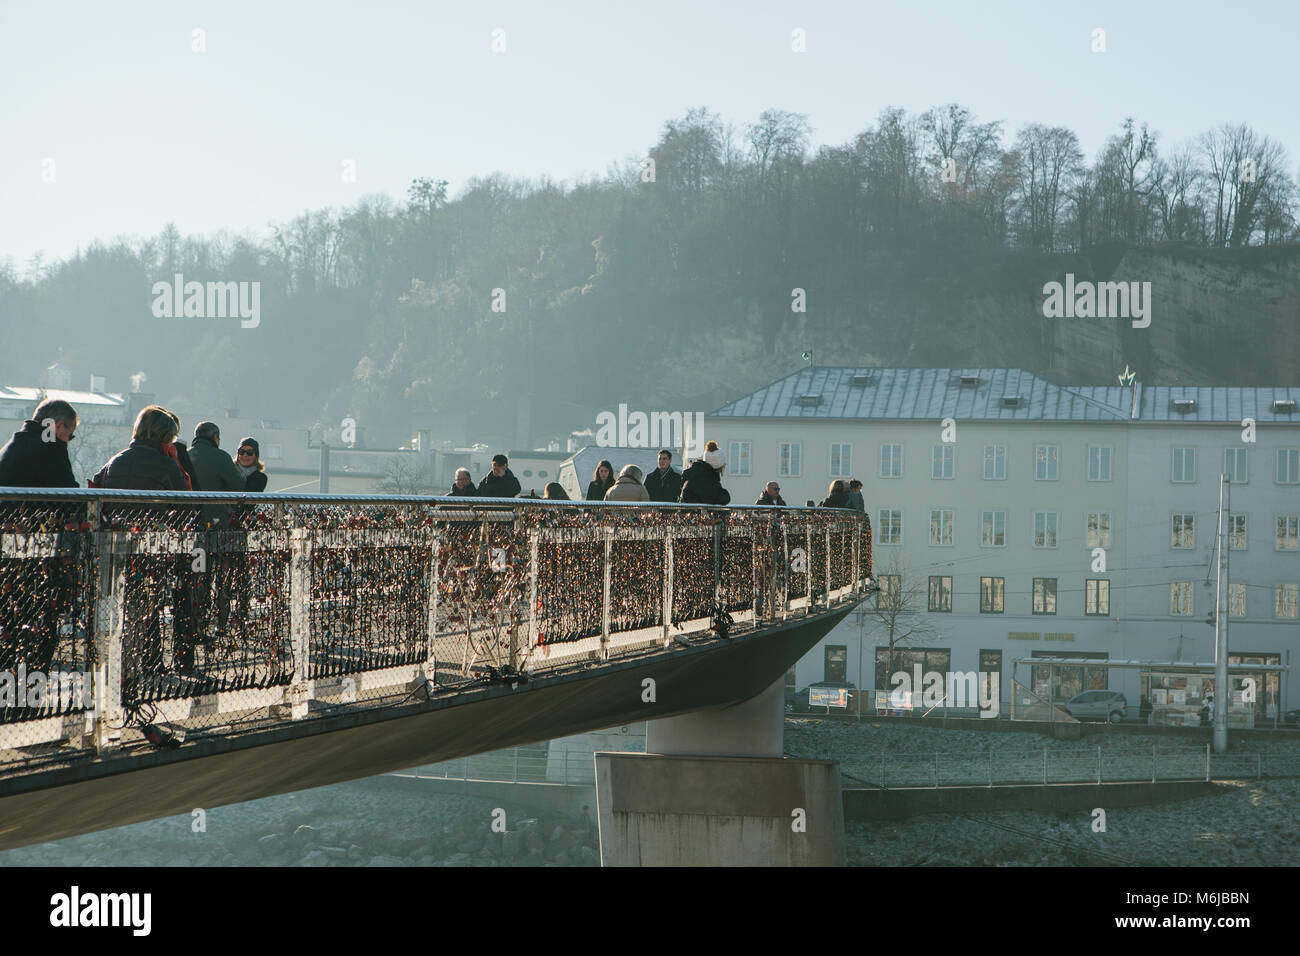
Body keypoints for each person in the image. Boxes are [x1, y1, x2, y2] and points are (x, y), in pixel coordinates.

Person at [93, 405, 188, 490]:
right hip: (152, 510)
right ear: (166, 436)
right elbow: (185, 504)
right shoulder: (168, 465)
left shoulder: (114, 461)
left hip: (114, 510)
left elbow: (96, 482)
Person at [0, 398, 79, 487]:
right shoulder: (51, 448)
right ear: (59, 426)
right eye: (70, 436)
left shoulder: (14, 445)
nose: (67, 441)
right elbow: (70, 492)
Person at [188, 422, 245, 529]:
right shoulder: (221, 457)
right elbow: (238, 486)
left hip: (189, 518)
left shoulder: (185, 456)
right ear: (215, 437)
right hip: (216, 517)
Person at [678, 441, 730, 505]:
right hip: (694, 513)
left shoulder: (698, 472)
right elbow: (717, 498)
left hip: (689, 512)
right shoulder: (705, 477)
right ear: (718, 466)